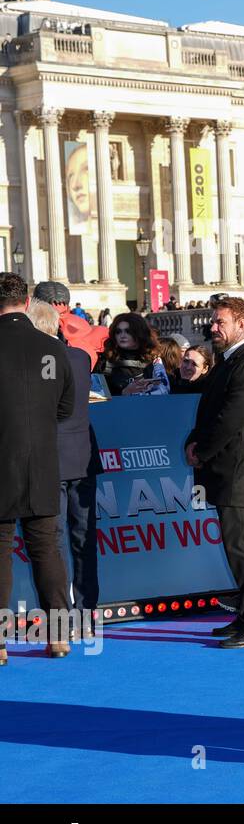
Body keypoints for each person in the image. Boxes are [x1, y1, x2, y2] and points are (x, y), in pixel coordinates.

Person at [185, 297, 244, 649]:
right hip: (230, 469)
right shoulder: (232, 361)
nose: (213, 327)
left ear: (241, 323)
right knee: (238, 548)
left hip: (241, 471)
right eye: (213, 321)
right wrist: (196, 441)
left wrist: (202, 450)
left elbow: (231, 418)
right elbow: (212, 411)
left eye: (220, 321)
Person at [0, 273, 76, 663]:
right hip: (43, 461)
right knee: (46, 549)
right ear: (27, 300)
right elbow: (65, 408)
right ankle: (59, 634)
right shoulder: (52, 348)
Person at [27, 300, 100, 630]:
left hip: (51, 460)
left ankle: (64, 613)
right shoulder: (80, 358)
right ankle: (86, 610)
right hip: (82, 457)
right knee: (84, 538)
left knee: (52, 542)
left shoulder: (40, 362)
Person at [33, 281, 109, 369]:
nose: (57, 320)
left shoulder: (91, 332)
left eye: (62, 314)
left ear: (68, 309)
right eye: (50, 314)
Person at [97, 312, 161, 395]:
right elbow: (97, 396)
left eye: (128, 331)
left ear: (140, 333)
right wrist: (124, 393)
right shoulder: (105, 360)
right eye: (118, 332)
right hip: (118, 407)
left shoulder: (155, 358)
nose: (122, 336)